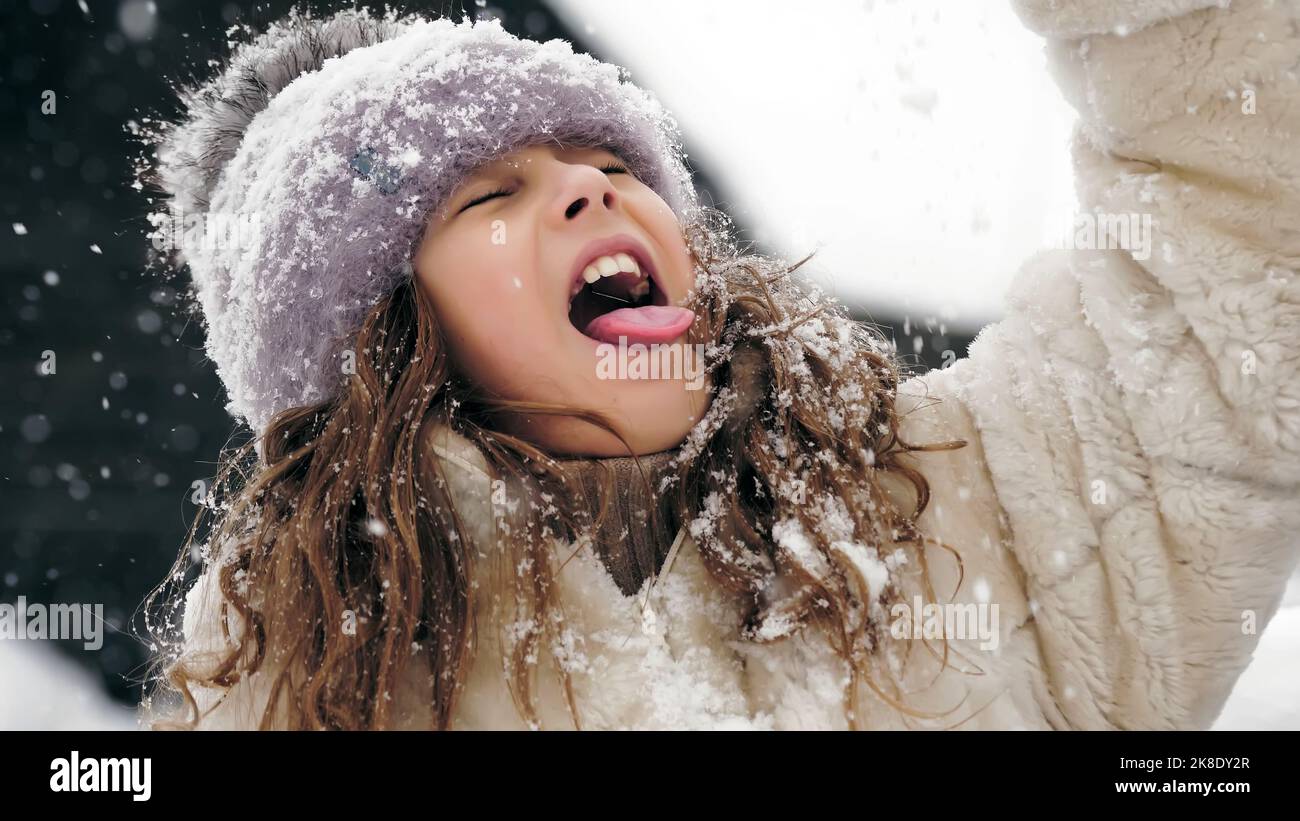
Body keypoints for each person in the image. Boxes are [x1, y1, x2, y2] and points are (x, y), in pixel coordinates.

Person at [140, 0, 1300, 730]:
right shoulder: (291, 693)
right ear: (384, 352)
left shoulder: (963, 508)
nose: (592, 187)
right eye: (492, 196)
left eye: (608, 158)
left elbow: (1239, 248)